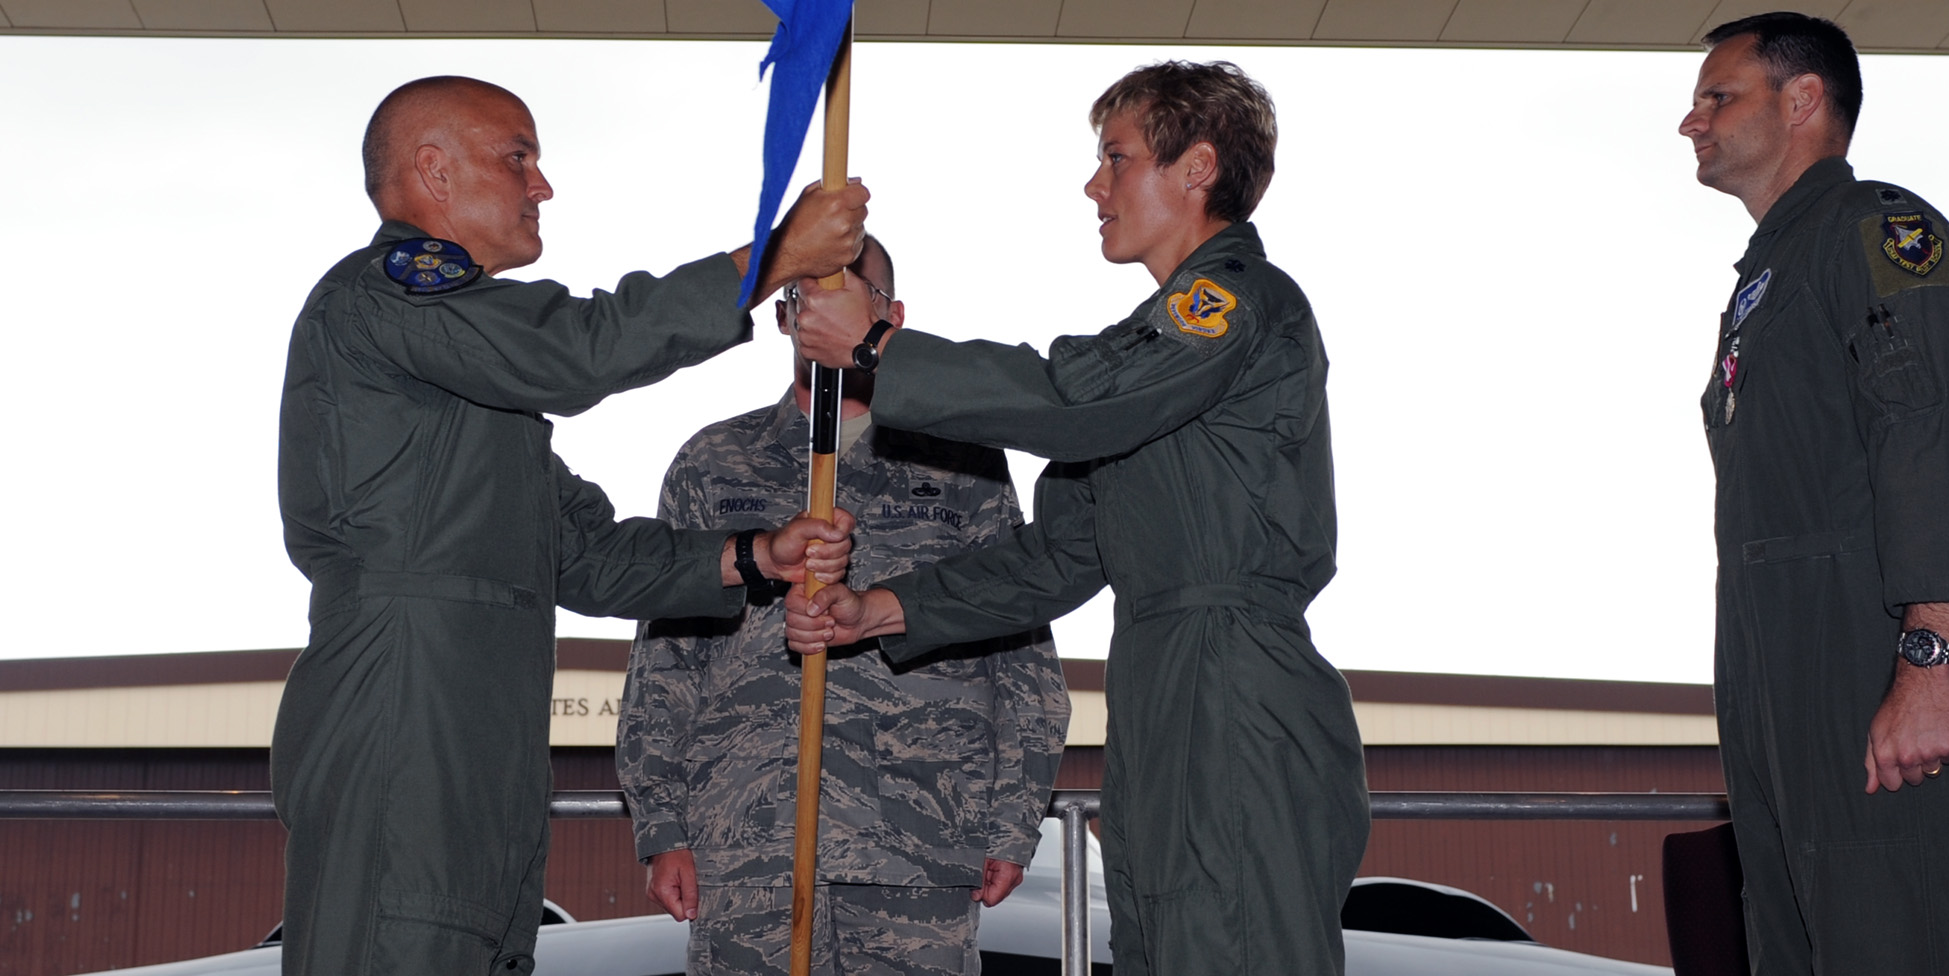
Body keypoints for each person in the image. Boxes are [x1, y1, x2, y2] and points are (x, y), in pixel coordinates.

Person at [784, 61, 1370, 976]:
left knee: (1238, 942)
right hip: (1162, 687)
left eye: (1116, 157)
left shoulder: (1233, 306)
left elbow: (1071, 399)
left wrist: (877, 347)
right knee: (1161, 939)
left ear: (1196, 167)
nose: (1094, 185)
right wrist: (882, 610)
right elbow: (1054, 560)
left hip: (1234, 686)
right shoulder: (1149, 355)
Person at [273, 74, 865, 976]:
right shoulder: (388, 297)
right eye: (518, 158)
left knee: (475, 943)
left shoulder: (465, 374)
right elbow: (574, 349)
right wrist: (771, 261)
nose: (540, 185)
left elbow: (583, 552)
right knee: (403, 937)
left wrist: (754, 555)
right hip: (408, 691)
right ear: (432, 171)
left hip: (478, 710)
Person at [616, 234, 1072, 976]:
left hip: (918, 848)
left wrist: (1013, 824)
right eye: (807, 292)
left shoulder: (962, 464)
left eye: (852, 293)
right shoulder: (713, 463)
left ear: (890, 315)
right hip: (749, 848)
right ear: (784, 315)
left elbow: (1020, 654)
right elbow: (665, 660)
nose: (824, 308)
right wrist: (662, 825)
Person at [1678, 14, 1949, 975]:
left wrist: (1927, 665)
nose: (1691, 122)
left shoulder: (1878, 232)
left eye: (1719, 96)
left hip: (1872, 667)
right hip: (1781, 673)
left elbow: (1937, 439)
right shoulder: (1771, 275)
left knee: (1906, 944)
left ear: (1803, 101)